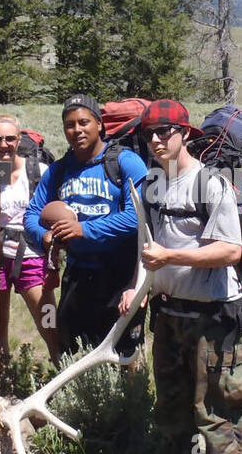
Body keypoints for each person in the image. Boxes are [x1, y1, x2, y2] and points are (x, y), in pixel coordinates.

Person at [119, 100, 242, 454]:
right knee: (172, 404)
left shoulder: (211, 184)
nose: (156, 140)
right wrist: (138, 287)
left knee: (213, 405)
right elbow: (150, 247)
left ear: (186, 133)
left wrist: (169, 260)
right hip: (170, 312)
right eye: (149, 134)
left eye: (165, 132)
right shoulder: (153, 185)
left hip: (212, 314)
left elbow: (231, 250)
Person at [23, 94, 149, 357]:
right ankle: (80, 397)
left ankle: (129, 399)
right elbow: (31, 215)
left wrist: (85, 230)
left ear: (99, 124)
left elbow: (138, 217)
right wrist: (44, 236)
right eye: (70, 124)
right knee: (74, 352)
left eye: (84, 122)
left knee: (124, 355)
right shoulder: (58, 170)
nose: (77, 130)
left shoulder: (124, 162)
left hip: (120, 276)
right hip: (78, 275)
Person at [0, 114, 59, 361]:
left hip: (33, 256)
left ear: (19, 139)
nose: (3, 145)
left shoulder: (39, 171)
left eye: (9, 139)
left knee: (49, 320)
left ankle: (63, 369)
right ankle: (1, 382)